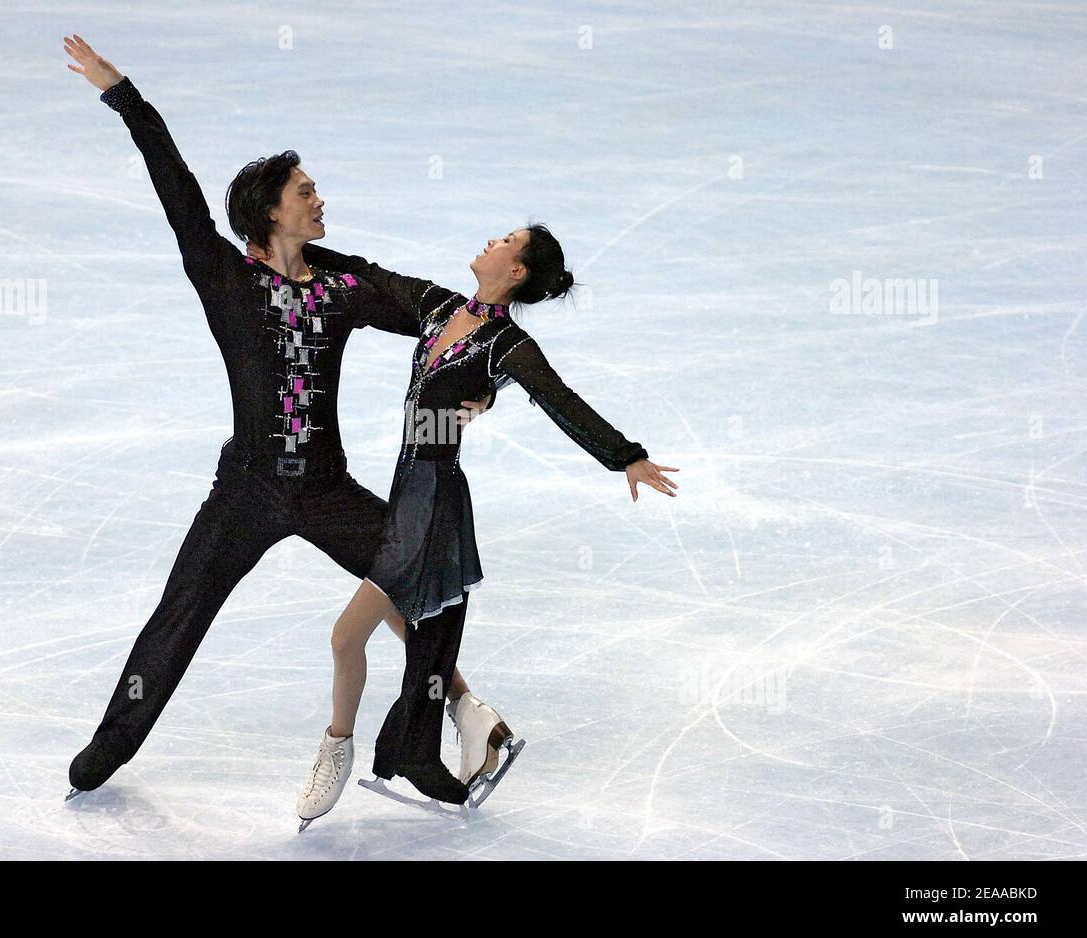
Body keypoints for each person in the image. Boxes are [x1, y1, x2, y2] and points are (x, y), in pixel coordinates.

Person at [59, 36, 501, 797]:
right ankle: (112, 742)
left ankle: (444, 723)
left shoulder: (344, 285)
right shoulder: (224, 276)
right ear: (269, 211)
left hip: (327, 489)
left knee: (424, 586)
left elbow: (435, 311)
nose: (320, 197)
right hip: (249, 489)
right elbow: (177, 185)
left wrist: (484, 372)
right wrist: (123, 94)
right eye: (305, 190)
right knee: (180, 612)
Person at [286, 227, 679, 823]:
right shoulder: (440, 306)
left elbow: (560, 399)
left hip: (434, 499)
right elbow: (371, 272)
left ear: (516, 271)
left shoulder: (506, 344)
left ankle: (337, 748)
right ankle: (474, 716)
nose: (490, 241)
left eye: (505, 241)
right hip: (408, 490)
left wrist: (624, 455)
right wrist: (296, 248)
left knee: (347, 635)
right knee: (414, 621)